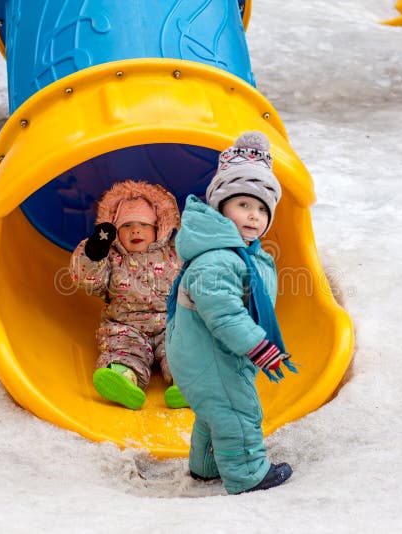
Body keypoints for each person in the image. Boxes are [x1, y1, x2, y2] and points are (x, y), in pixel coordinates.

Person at [165, 131, 297, 494]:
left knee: (215, 412)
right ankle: (248, 475)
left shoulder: (239, 252)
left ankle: (206, 467)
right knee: (239, 413)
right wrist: (257, 344)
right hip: (212, 354)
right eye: (243, 205)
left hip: (208, 354)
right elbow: (223, 313)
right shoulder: (217, 258)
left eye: (262, 210)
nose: (253, 216)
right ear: (221, 207)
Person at [70, 180, 187, 410]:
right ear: (115, 232)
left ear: (159, 228)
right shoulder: (112, 257)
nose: (135, 230)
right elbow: (90, 283)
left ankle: (187, 384)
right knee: (123, 350)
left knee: (184, 347)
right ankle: (124, 378)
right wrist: (93, 254)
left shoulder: (174, 252)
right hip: (126, 325)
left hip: (171, 323)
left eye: (143, 224)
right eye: (126, 226)